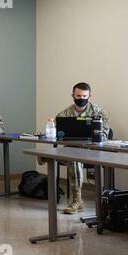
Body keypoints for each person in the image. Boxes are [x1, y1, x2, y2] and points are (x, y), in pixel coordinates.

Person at [55, 81, 109, 214]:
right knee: (73, 157)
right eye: (78, 96)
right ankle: (77, 199)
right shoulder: (64, 115)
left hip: (93, 151)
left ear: (90, 95)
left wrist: (95, 139)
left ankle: (77, 200)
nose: (81, 99)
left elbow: (105, 134)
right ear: (72, 95)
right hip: (72, 149)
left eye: (84, 96)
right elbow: (59, 135)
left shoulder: (99, 112)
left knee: (74, 157)